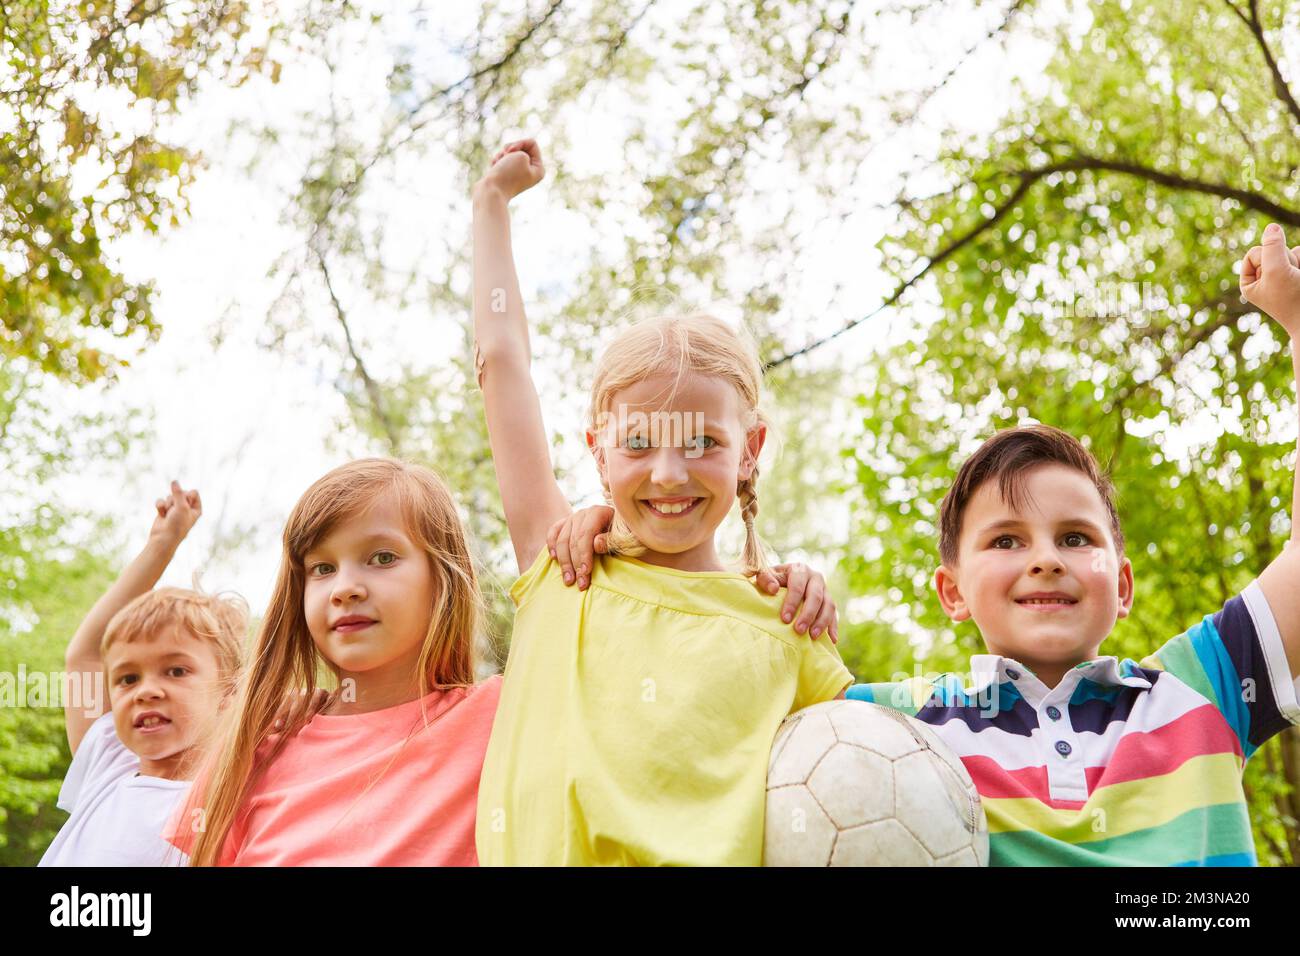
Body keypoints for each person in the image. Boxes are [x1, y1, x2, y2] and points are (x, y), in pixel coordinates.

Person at [848, 224, 1300, 865]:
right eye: (1006, 539)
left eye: (1075, 537)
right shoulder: (901, 726)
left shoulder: (1203, 688)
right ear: (952, 591)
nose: (1046, 558)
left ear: (1121, 584)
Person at [470, 137, 853, 865]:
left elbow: (858, 791)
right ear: (599, 452)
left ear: (750, 450)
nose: (670, 474)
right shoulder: (561, 567)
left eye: (703, 442)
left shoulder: (786, 621)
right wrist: (491, 205)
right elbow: (502, 363)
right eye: (640, 442)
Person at [173, 458, 502, 865]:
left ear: (443, 577)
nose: (344, 589)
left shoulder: (497, 718)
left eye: (382, 558)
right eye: (322, 568)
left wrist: (595, 527)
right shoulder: (257, 743)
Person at [41, 482, 244, 866]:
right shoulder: (108, 763)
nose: (146, 691)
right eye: (128, 679)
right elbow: (85, 656)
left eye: (175, 670)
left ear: (229, 691)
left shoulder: (227, 798)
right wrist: (163, 543)